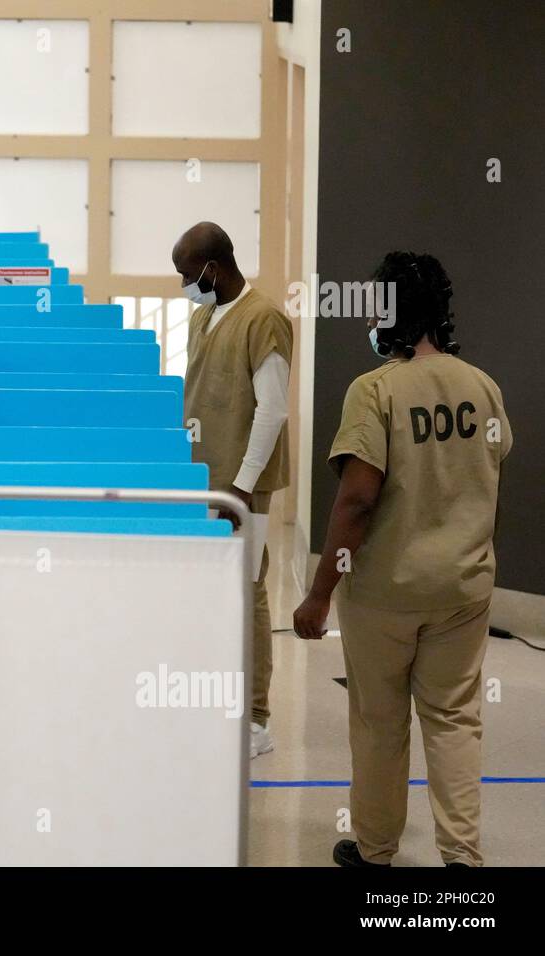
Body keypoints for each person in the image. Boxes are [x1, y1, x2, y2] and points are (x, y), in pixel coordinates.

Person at [293, 251, 511, 868]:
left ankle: (376, 851)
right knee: (454, 720)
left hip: (386, 595)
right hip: (462, 591)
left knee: (379, 722)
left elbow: (358, 500)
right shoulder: (482, 387)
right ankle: (463, 860)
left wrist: (319, 593)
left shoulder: (375, 392)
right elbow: (490, 484)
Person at [174, 222, 293, 759]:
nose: (183, 283)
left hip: (241, 484)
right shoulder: (204, 315)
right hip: (204, 476)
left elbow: (273, 409)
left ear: (212, 269)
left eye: (186, 273)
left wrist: (243, 487)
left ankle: (257, 720)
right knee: (212, 596)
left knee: (248, 592)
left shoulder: (263, 318)